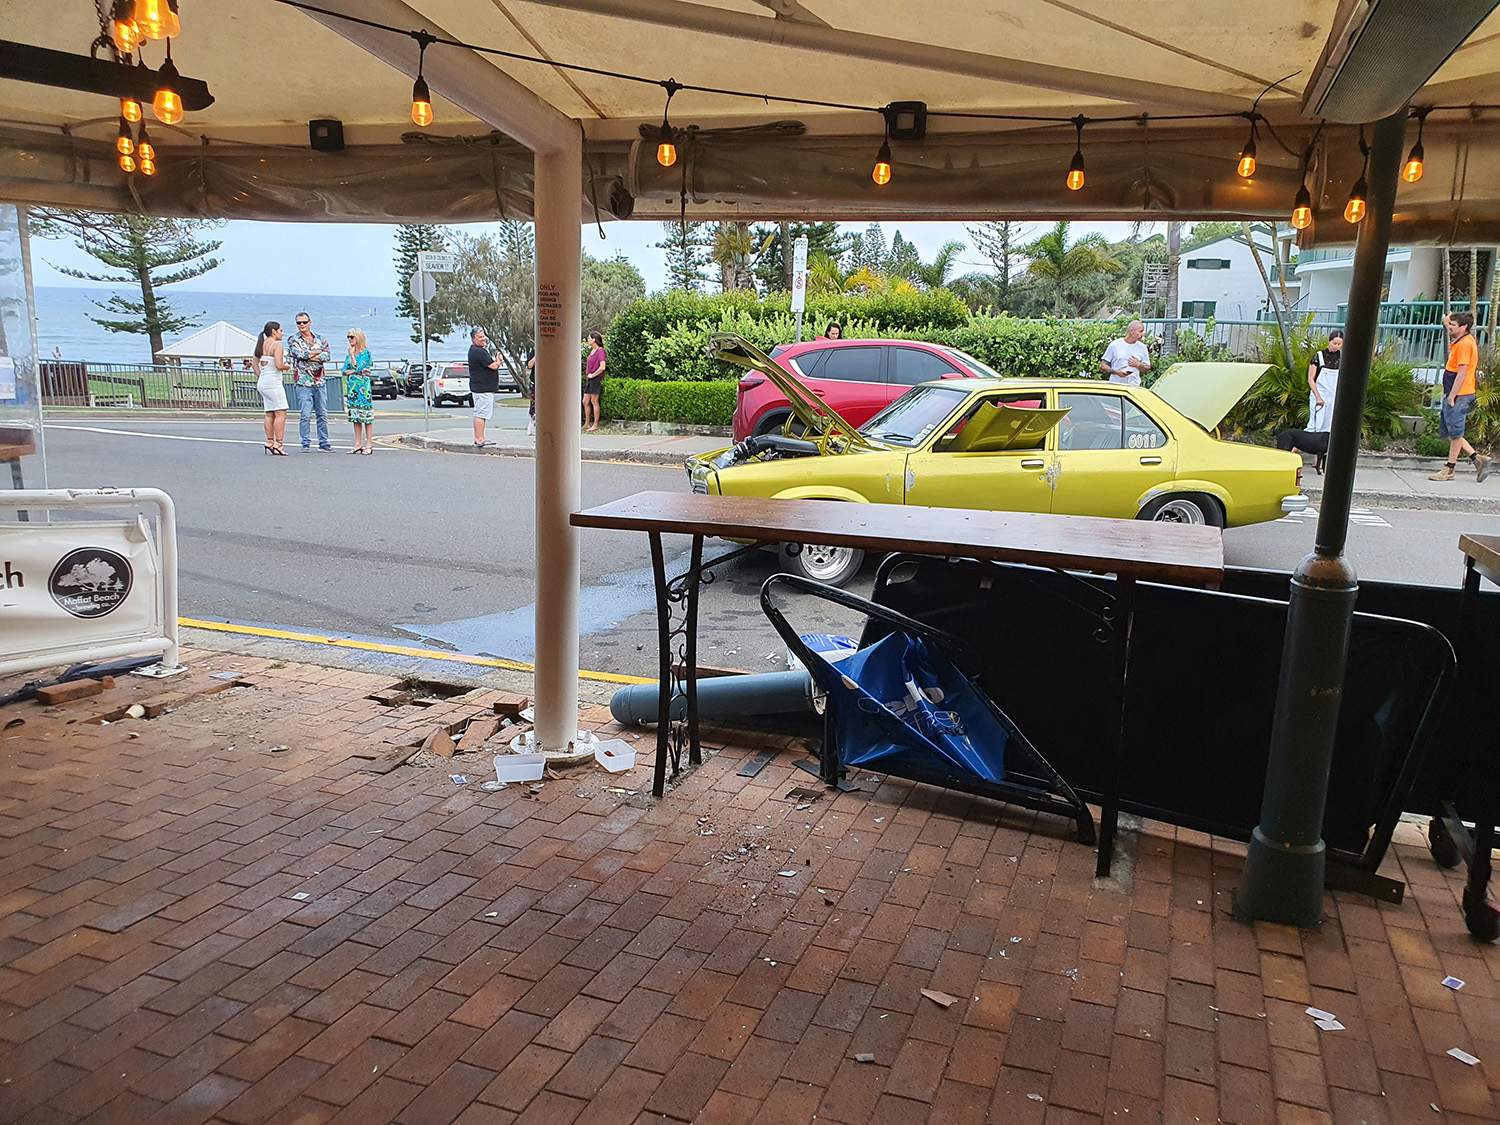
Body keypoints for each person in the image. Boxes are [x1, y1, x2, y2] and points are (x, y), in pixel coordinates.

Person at [1431, 312, 1490, 482]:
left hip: (1460, 395)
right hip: (1455, 393)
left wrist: (1452, 396)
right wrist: (1446, 321)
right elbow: (1450, 326)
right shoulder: (1462, 338)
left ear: (1463, 327)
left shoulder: (1464, 344)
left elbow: (1462, 372)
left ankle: (1449, 468)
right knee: (1451, 431)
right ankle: (1477, 459)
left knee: (1455, 433)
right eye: (1449, 324)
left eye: (1453, 325)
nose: (1449, 327)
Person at [287, 311, 332, 452]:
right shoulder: (293, 339)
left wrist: (310, 355)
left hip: (319, 381)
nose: (302, 325)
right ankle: (305, 443)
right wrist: (316, 353)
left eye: (304, 322)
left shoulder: (320, 338)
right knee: (305, 414)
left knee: (322, 413)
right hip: (303, 382)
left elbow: (327, 356)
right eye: (299, 323)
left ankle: (324, 442)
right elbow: (299, 354)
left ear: (310, 322)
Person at [254, 321, 289, 455]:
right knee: (281, 412)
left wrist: (261, 375)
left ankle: (269, 441)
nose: (282, 333)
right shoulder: (277, 344)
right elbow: (279, 365)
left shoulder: (261, 344)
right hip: (273, 382)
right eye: (280, 330)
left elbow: (255, 364)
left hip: (263, 381)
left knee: (269, 412)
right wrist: (287, 366)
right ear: (274, 331)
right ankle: (279, 443)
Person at [467, 326, 501, 447]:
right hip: (483, 388)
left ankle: (480, 437)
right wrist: (498, 360)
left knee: (480, 413)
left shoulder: (476, 350)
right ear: (473, 339)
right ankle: (479, 438)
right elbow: (493, 366)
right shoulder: (478, 352)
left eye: (483, 336)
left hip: (480, 387)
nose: (483, 339)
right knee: (481, 413)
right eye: (480, 337)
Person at [343, 328, 374, 455]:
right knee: (355, 417)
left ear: (358, 337)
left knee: (366, 416)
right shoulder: (349, 353)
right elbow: (344, 370)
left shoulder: (365, 353)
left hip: (363, 389)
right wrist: (354, 371)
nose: (349, 339)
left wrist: (352, 357)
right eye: (348, 337)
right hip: (352, 388)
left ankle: (369, 444)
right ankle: (357, 444)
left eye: (352, 337)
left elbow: (359, 367)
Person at [1306, 329, 1344, 433]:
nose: (1336, 346)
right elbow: (1310, 378)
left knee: (1330, 425)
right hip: (1319, 394)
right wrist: (1318, 397)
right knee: (1314, 425)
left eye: (1339, 344)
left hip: (1334, 396)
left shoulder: (1343, 358)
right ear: (1329, 341)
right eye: (1334, 343)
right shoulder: (1319, 356)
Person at [1100, 320, 1152, 385]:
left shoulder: (1142, 347)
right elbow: (1103, 366)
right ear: (1132, 331)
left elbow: (1147, 368)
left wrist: (1138, 365)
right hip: (1116, 385)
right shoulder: (1115, 345)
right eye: (1140, 331)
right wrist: (1117, 372)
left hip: (1134, 386)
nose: (1143, 334)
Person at [583, 330, 607, 432]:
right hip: (589, 379)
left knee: (594, 401)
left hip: (595, 379)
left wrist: (593, 375)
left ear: (593, 339)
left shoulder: (600, 351)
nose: (587, 340)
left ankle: (595, 425)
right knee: (585, 401)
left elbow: (602, 367)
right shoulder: (592, 351)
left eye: (589, 338)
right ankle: (587, 423)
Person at [526, 350, 537, 438]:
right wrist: (536, 356)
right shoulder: (533, 352)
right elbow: (529, 365)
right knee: (534, 405)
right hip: (535, 382)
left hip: (548, 382)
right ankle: (531, 426)